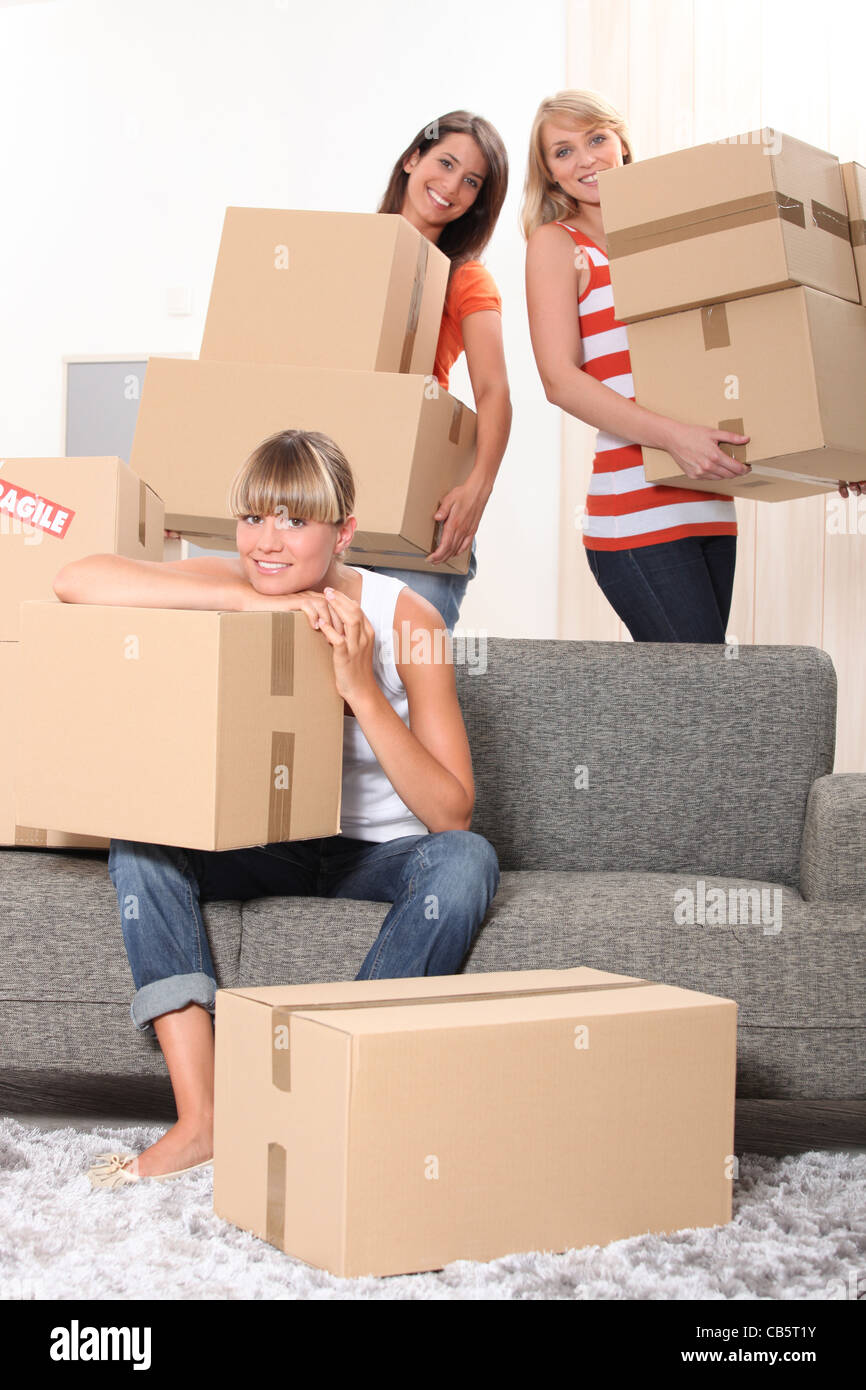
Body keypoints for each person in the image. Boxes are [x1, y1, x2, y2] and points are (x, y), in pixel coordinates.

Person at [53, 428, 500, 1186]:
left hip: (374, 855)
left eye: (295, 522)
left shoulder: (410, 621)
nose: (268, 541)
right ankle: (206, 1120)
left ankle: (328, 1099)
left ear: (345, 531)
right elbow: (75, 579)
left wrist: (359, 684)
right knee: (141, 840)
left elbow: (452, 812)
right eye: (255, 518)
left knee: (467, 862)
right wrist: (247, 598)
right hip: (267, 842)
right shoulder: (242, 576)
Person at [524, 90, 753, 644]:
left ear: (622, 144)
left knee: (695, 706)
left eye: (596, 138)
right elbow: (559, 380)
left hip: (710, 502)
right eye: (563, 152)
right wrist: (674, 437)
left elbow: (739, 356)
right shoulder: (558, 245)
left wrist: (827, 456)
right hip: (637, 514)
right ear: (550, 176)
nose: (585, 160)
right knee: (700, 699)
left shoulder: (668, 240)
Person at [363, 110, 512, 630]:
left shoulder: (466, 278)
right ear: (412, 159)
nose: (451, 186)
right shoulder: (346, 251)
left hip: (417, 499)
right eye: (445, 163)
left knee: (412, 678)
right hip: (330, 492)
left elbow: (493, 389)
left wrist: (478, 487)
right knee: (327, 691)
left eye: (471, 181)